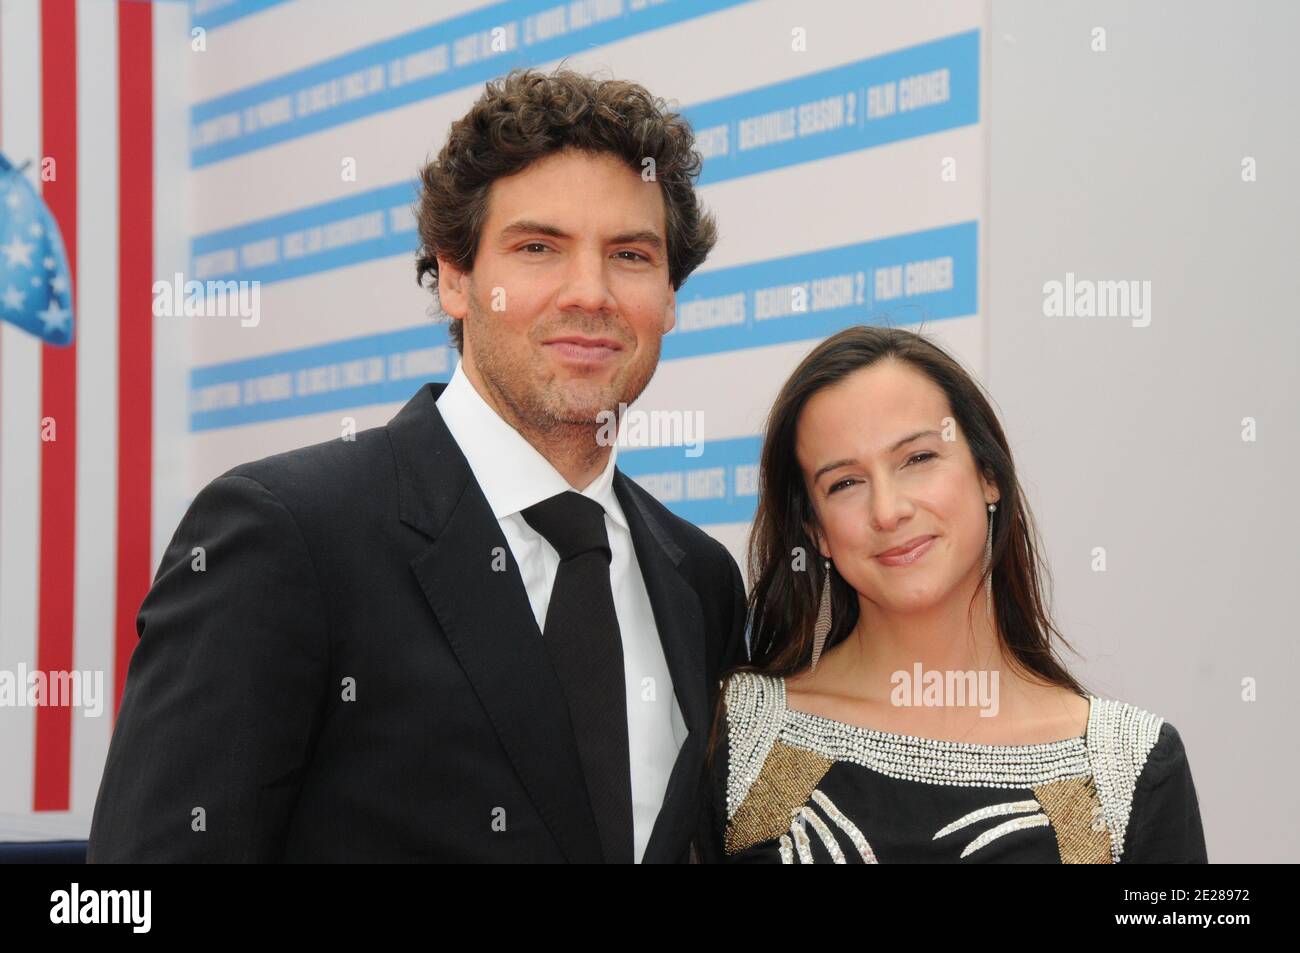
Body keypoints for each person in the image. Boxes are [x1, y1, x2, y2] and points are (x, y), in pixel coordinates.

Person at [88, 67, 748, 863]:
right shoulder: (287, 535)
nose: (591, 292)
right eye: (538, 247)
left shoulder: (701, 582)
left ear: (670, 297)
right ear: (457, 278)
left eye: (632, 255)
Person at [702, 326, 1207, 863]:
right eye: (845, 483)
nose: (888, 510)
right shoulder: (739, 733)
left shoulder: (1127, 768)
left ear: (988, 474)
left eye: (918, 458)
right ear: (817, 532)